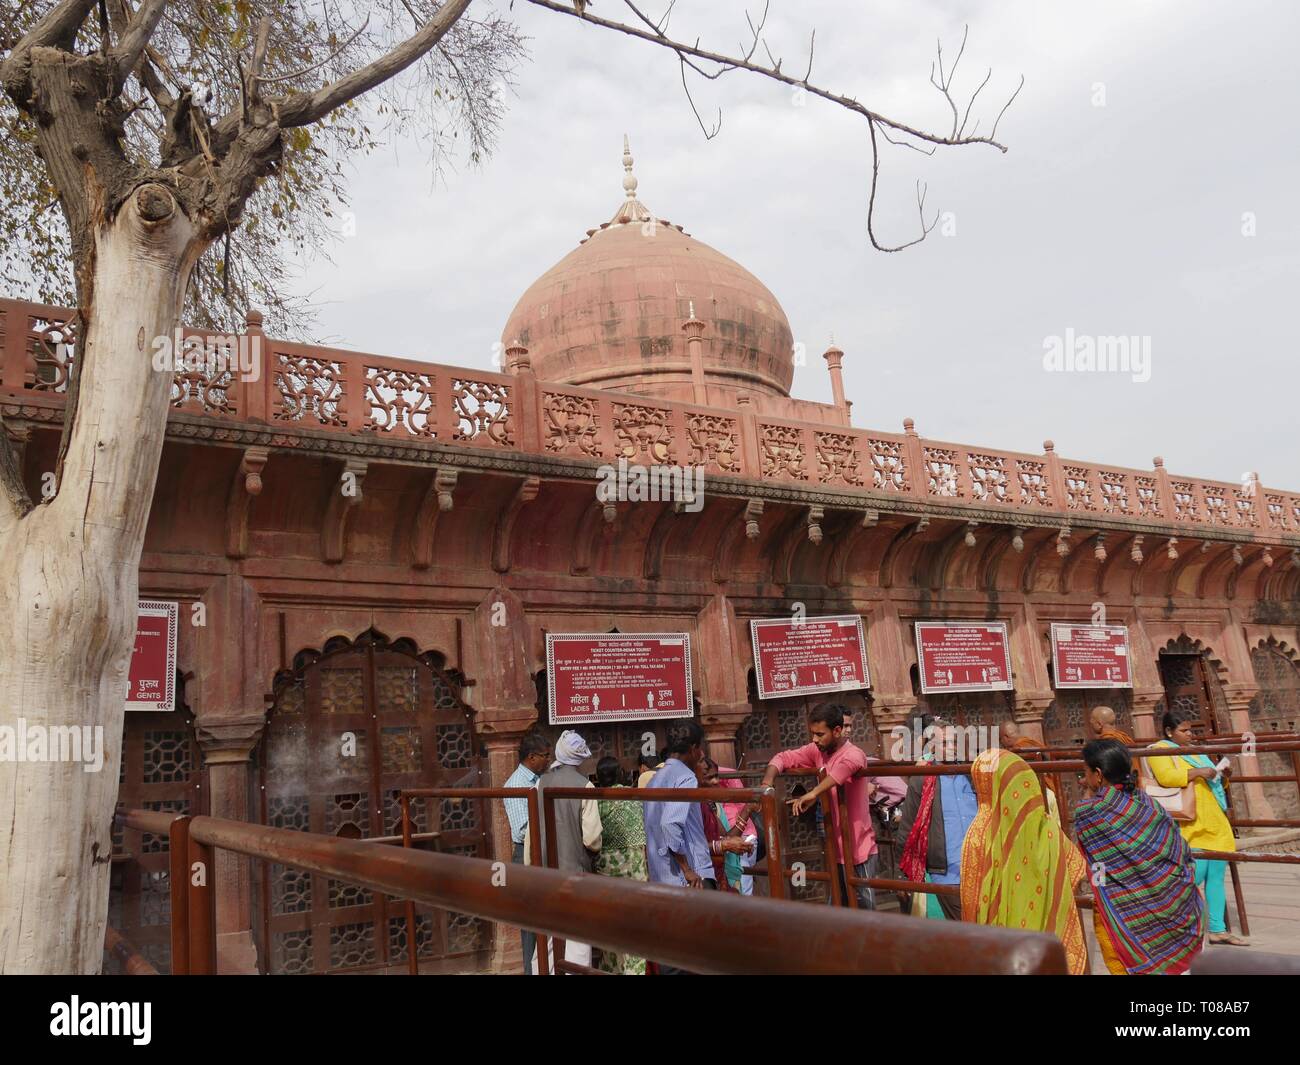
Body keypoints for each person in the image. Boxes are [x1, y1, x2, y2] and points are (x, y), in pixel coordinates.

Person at [1075, 739, 1205, 975]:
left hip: (1126, 910)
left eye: (1085, 772)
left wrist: (1089, 789)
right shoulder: (1147, 803)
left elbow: (1096, 863)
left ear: (1098, 773)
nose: (1083, 778)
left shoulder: (1090, 812)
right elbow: (1179, 850)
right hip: (1174, 901)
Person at [960, 748, 1089, 973]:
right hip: (1045, 936)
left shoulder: (978, 831)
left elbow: (971, 896)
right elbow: (1076, 870)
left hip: (1001, 943)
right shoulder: (1044, 825)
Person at [761, 703, 881, 909]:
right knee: (839, 904)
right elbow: (783, 757)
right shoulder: (817, 750)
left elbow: (839, 774)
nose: (814, 739)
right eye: (813, 734)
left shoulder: (854, 754)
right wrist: (767, 782)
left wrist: (813, 793)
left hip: (859, 847)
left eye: (819, 734)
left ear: (836, 731)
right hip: (834, 846)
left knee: (865, 907)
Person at [1147, 709, 1247, 946]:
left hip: (1214, 821)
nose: (1189, 734)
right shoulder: (1159, 751)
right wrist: (1199, 772)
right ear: (1169, 732)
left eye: (1191, 729)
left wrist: (1223, 775)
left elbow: (1213, 780)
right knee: (1194, 877)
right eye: (1184, 730)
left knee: (1216, 877)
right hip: (1191, 824)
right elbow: (1167, 778)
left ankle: (1217, 929)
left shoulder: (1196, 752)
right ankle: (1178, 928)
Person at [530, 730, 603, 972]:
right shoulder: (585, 785)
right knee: (577, 939)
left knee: (548, 936)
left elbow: (532, 832)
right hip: (574, 872)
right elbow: (593, 839)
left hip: (543, 872)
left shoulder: (541, 782)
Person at [896, 721, 978, 920]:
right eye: (945, 743)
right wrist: (903, 876)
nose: (952, 748)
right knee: (966, 930)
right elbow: (908, 828)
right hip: (947, 874)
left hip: (981, 870)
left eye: (955, 742)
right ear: (931, 747)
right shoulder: (923, 779)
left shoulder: (972, 774)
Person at [592, 755, 648, 975]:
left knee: (610, 929)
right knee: (635, 930)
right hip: (634, 869)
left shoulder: (594, 800)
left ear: (598, 777)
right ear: (619, 774)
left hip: (605, 870)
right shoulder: (631, 797)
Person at [643, 721, 714, 890]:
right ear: (693, 748)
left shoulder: (655, 779)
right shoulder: (686, 777)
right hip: (691, 877)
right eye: (699, 749)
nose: (700, 755)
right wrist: (687, 869)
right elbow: (670, 823)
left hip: (662, 875)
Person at [502, 732, 549, 974]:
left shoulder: (541, 779)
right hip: (526, 852)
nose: (548, 761)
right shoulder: (516, 784)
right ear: (532, 757)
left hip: (542, 849)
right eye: (545, 756)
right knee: (530, 920)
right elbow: (521, 831)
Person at [698, 756, 756, 892]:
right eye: (710, 777)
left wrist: (747, 810)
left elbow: (726, 837)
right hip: (705, 875)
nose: (716, 781)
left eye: (717, 776)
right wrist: (725, 845)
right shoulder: (696, 806)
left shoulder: (712, 804)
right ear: (698, 779)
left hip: (722, 872)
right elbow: (694, 848)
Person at [1001, 720, 1061, 824]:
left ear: (1006, 737)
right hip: (1047, 792)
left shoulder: (1017, 751)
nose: (1002, 744)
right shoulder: (1032, 744)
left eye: (1000, 739)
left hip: (1030, 795)